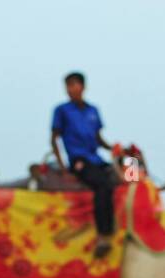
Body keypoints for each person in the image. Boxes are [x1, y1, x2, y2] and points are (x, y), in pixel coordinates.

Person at [50, 71, 116, 258]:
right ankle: (103, 235)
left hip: (97, 159)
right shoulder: (62, 111)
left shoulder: (92, 111)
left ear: (83, 87)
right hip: (80, 161)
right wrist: (63, 168)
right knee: (103, 185)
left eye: (74, 85)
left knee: (126, 176)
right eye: (68, 86)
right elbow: (54, 139)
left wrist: (117, 149)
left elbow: (98, 139)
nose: (71, 89)